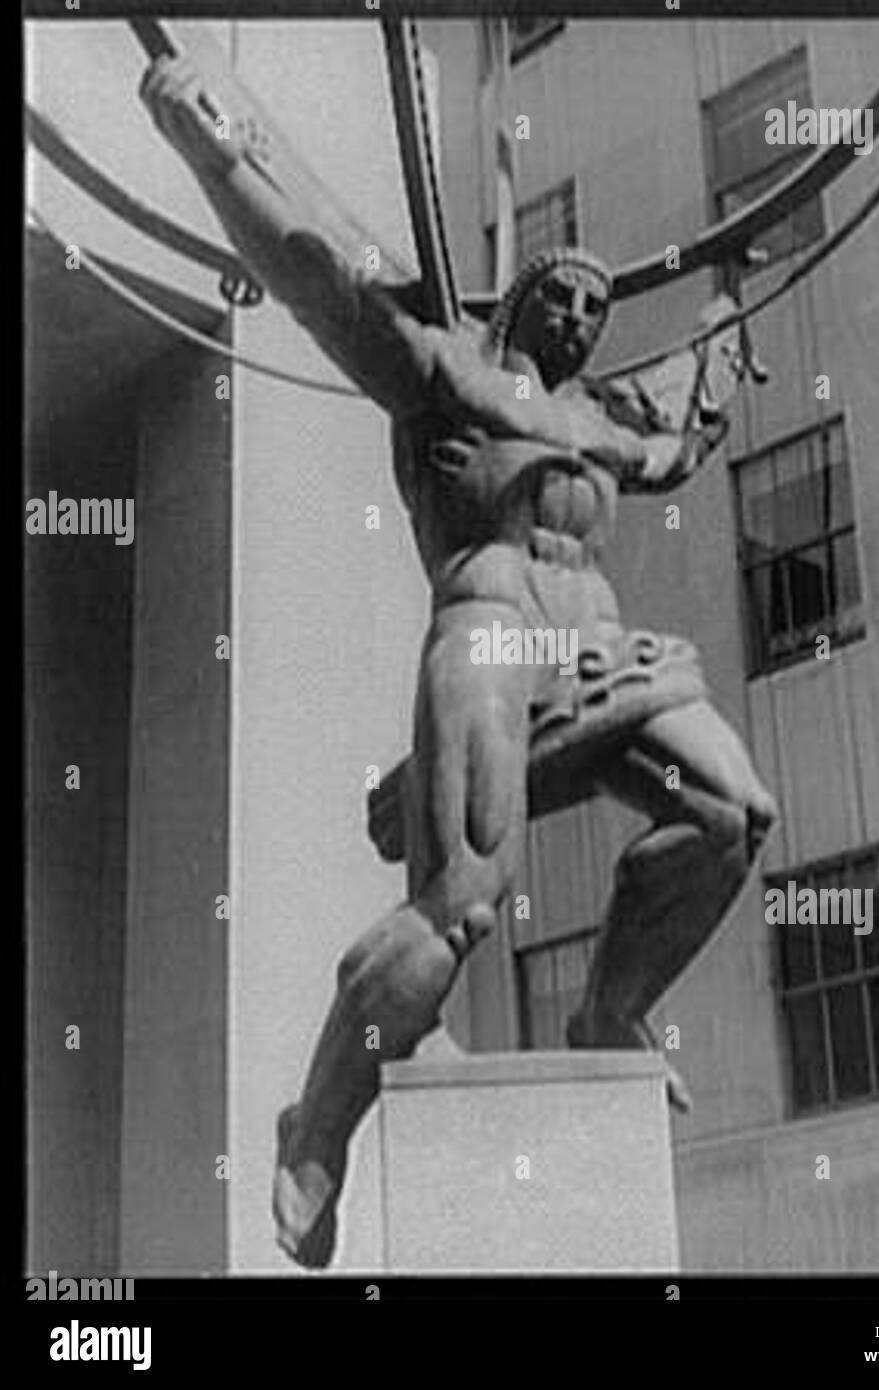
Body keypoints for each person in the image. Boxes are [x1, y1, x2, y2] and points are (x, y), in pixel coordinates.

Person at [141, 47, 778, 1269]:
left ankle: (607, 1009)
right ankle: (318, 1120)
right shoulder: (440, 370)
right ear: (517, 300)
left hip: (597, 644)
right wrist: (212, 147)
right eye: (563, 296)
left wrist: (725, 298)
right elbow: (316, 264)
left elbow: (686, 412)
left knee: (732, 812)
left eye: (598, 306)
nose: (583, 317)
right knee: (461, 904)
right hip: (487, 624)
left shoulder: (605, 424)